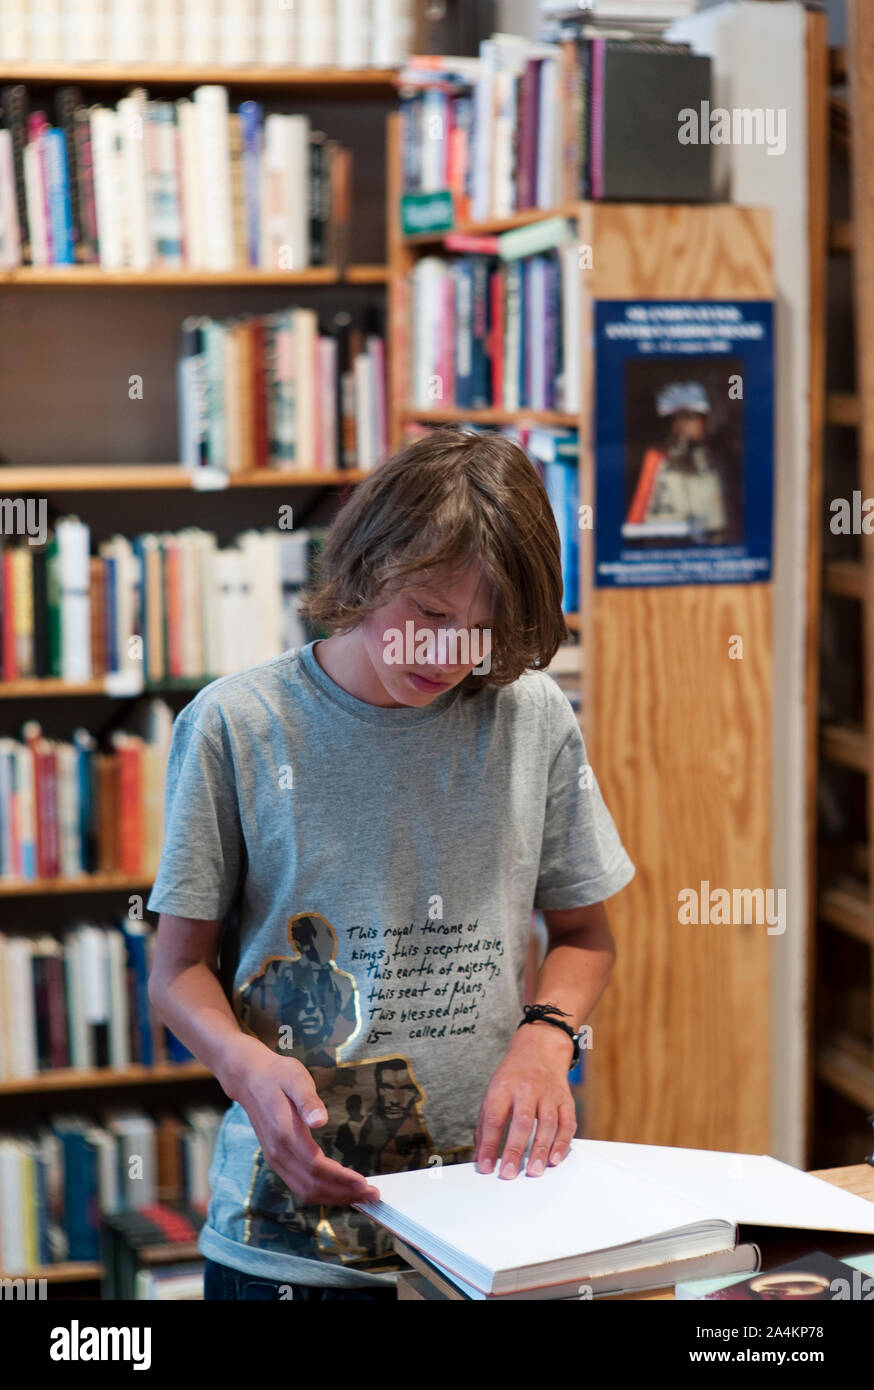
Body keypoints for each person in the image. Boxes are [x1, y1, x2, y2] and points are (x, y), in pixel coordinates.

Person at [147, 428, 635, 1301]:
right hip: (290, 1242)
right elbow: (177, 970)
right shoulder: (236, 726)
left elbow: (585, 934)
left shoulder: (532, 720)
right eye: (432, 616)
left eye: (482, 632)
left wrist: (544, 1040)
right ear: (367, 570)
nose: (450, 657)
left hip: (491, 1217)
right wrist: (243, 1067)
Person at [625, 381, 727, 544]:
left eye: (689, 417)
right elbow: (636, 521)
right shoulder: (657, 459)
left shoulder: (716, 461)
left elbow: (722, 520)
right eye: (673, 419)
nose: (680, 426)